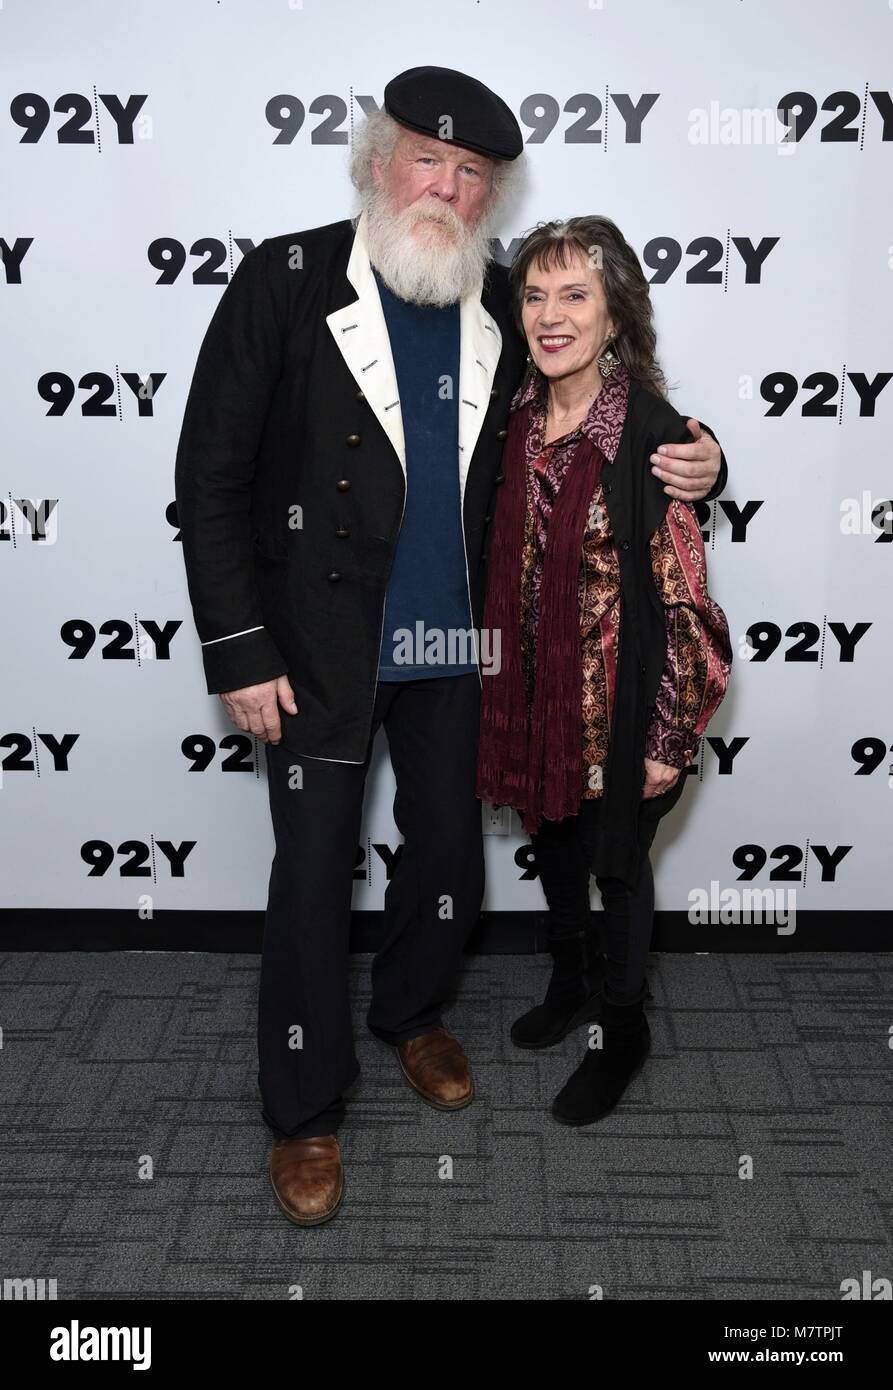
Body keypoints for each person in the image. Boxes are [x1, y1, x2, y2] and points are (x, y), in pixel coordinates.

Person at [174, 68, 728, 1227]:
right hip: (317, 644)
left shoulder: (499, 297)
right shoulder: (282, 277)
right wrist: (237, 647)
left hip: (461, 640)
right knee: (313, 875)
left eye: (473, 174)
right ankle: (304, 1105)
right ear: (379, 163)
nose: (448, 186)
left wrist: (701, 451)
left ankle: (411, 1013)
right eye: (427, 159)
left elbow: (604, 389)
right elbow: (210, 478)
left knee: (444, 864)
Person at [476, 216, 733, 1126]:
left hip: (622, 712)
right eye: (534, 296)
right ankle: (571, 981)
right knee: (553, 850)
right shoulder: (507, 412)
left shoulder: (654, 438)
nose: (549, 316)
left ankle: (622, 1031)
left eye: (573, 295)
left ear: (615, 314)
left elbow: (684, 599)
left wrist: (666, 732)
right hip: (534, 704)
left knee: (616, 870)